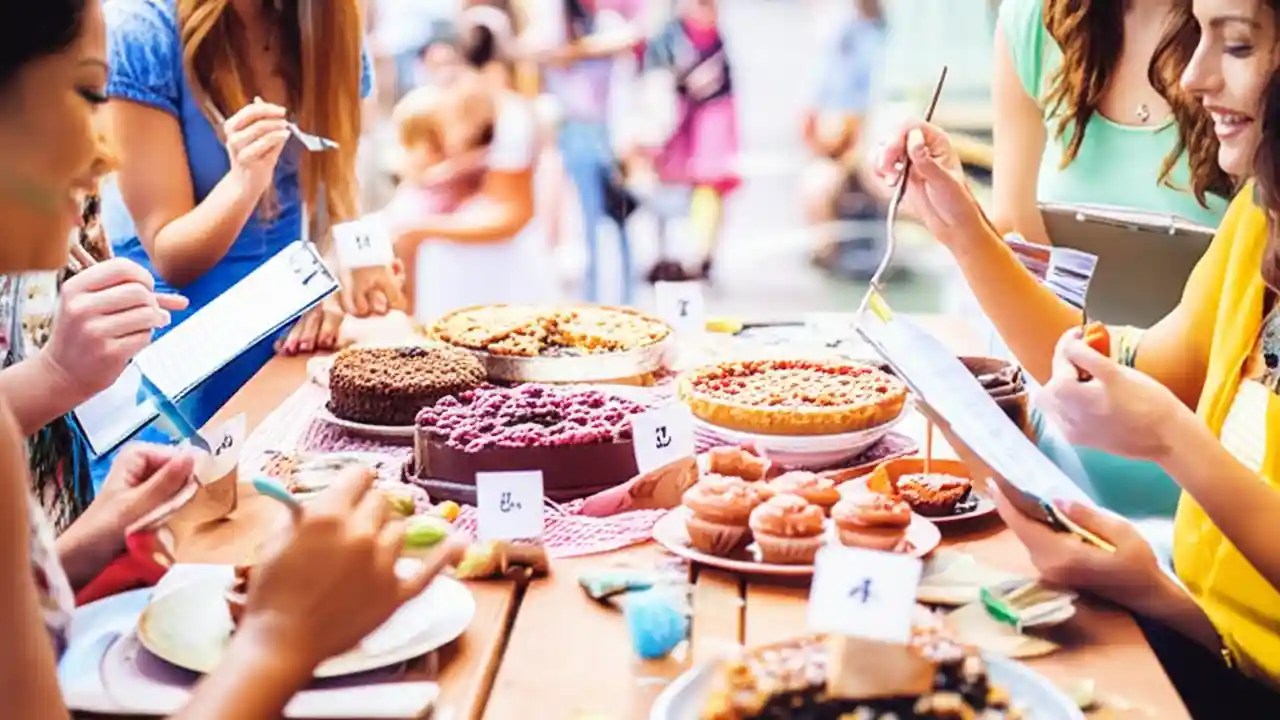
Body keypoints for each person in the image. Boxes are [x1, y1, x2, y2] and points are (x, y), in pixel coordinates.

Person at [0, 3, 459, 716]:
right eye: (90, 94)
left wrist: (90, 538)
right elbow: (173, 251)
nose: (106, 160)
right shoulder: (152, 36)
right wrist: (279, 639)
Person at [878, 0, 1280, 712]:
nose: (1192, 76)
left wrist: (1169, 438)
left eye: (1238, 46)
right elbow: (1138, 366)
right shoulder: (1257, 220)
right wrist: (963, 230)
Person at [907, 0, 1238, 520]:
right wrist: (960, 217)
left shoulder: (1247, 44)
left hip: (1215, 478)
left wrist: (964, 232)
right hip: (1055, 452)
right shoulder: (1034, 23)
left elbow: (1166, 370)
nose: (1199, 78)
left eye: (1236, 43)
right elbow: (1023, 256)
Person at [100, 0, 378, 433]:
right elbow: (171, 254)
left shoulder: (331, 20)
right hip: (175, 367)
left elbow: (338, 196)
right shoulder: (143, 29)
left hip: (286, 351)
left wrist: (337, 274)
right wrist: (244, 181)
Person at [0, 131, 187, 528]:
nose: (106, 159)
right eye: (83, 90)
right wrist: (55, 375)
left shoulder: (72, 175)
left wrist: (97, 533)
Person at [394, 5, 555, 321]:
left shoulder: (512, 116)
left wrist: (422, 230)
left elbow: (515, 214)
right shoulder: (498, 110)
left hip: (503, 266)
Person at [522, 0, 644, 304]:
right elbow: (531, 49)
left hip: (608, 132)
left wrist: (574, 51)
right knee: (586, 226)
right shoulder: (555, 20)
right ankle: (594, 302)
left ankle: (625, 302)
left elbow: (628, 41)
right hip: (574, 131)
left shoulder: (606, 22)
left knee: (620, 219)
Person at [642, 0, 740, 283]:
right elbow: (653, 79)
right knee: (668, 189)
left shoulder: (713, 37)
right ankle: (670, 256)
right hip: (676, 124)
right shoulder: (668, 37)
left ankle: (700, 257)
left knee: (710, 185)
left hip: (710, 121)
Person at [800, 0, 885, 270]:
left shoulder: (881, 38)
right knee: (816, 186)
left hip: (876, 144)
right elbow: (812, 112)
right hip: (841, 147)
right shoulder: (837, 39)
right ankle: (828, 254)